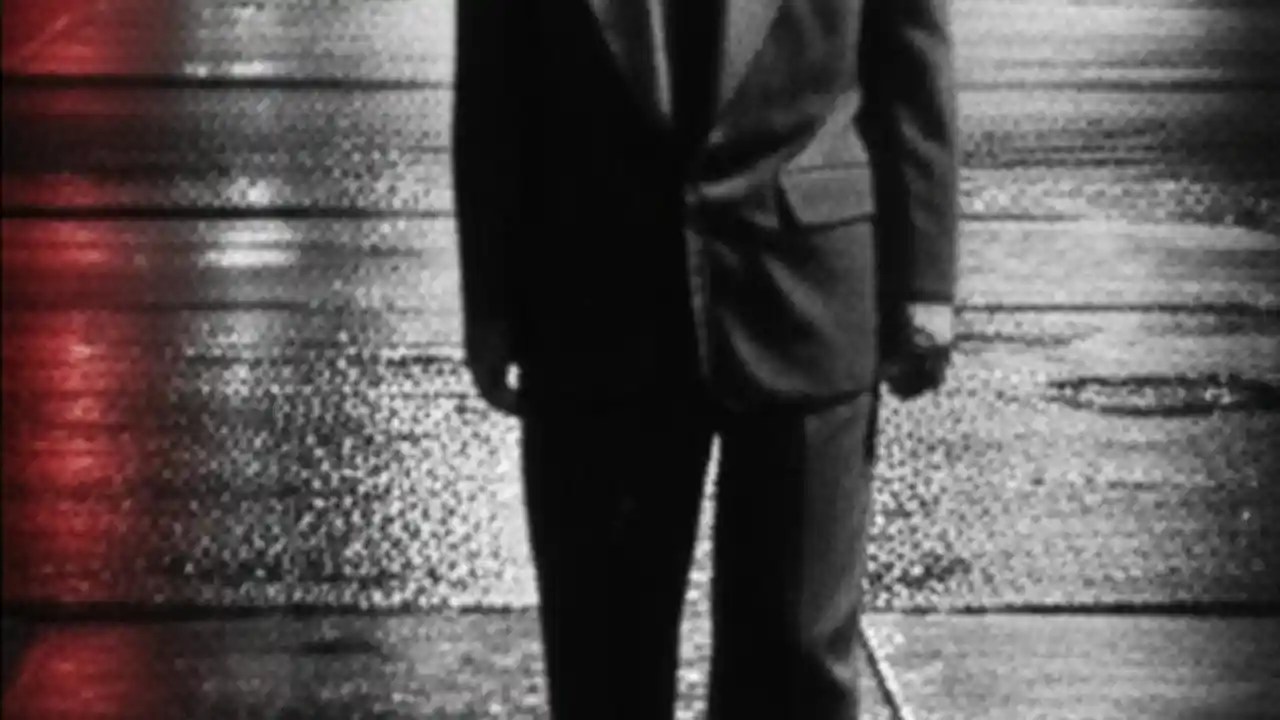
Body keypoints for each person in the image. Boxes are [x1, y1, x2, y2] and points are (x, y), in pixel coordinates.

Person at [452, 0, 958, 717]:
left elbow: (911, 48)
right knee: (602, 657)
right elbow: (495, 75)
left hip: (806, 283)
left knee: (795, 665)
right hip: (592, 290)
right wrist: (493, 295)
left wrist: (925, 279)